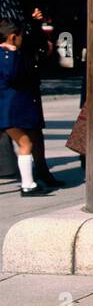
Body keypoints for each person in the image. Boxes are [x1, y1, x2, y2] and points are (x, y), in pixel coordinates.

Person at [0, 0, 62, 188]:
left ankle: (37, 171)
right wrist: (31, 24)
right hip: (15, 65)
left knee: (26, 119)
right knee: (23, 120)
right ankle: (36, 173)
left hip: (21, 65)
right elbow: (14, 28)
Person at [0, 20, 48, 195]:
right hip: (9, 110)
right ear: (13, 37)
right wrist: (12, 54)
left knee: (25, 143)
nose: (22, 40)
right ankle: (28, 185)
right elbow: (11, 76)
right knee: (25, 143)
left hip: (8, 110)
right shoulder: (6, 55)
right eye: (20, 36)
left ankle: (29, 184)